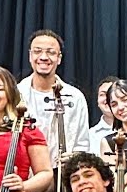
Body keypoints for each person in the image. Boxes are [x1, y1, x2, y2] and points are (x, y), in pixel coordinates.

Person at [17, 29, 91, 158]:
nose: (44, 57)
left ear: (59, 58)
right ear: (30, 56)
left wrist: (73, 160)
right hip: (24, 174)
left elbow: (82, 144)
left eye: (51, 52)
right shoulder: (15, 94)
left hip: (63, 173)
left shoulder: (75, 97)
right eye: (37, 51)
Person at [88, 75, 119, 147]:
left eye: (111, 93)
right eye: (102, 94)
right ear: (97, 102)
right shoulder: (90, 135)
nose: (107, 98)